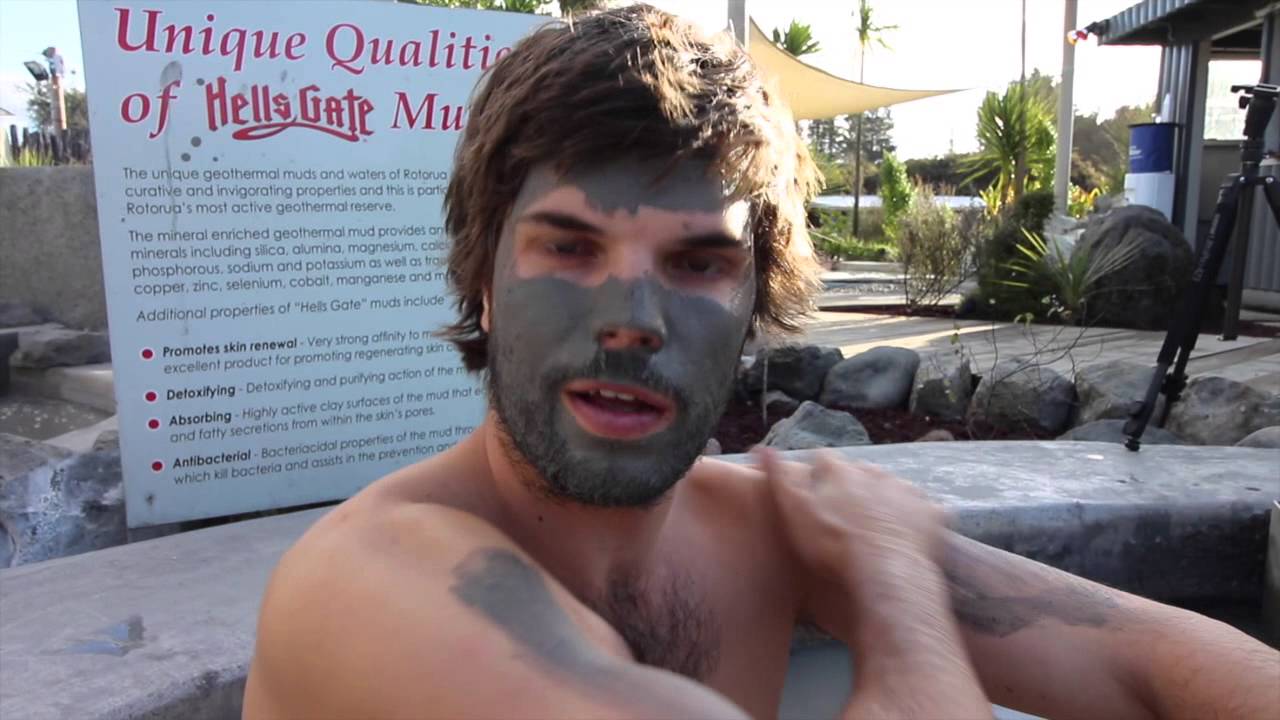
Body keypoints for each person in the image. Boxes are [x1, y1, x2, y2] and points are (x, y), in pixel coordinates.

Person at [243, 5, 1280, 719]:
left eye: (698, 262)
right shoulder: (370, 584)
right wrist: (891, 587)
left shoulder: (759, 531)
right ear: (481, 276)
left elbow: (1169, 665)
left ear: (750, 310)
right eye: (568, 246)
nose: (631, 318)